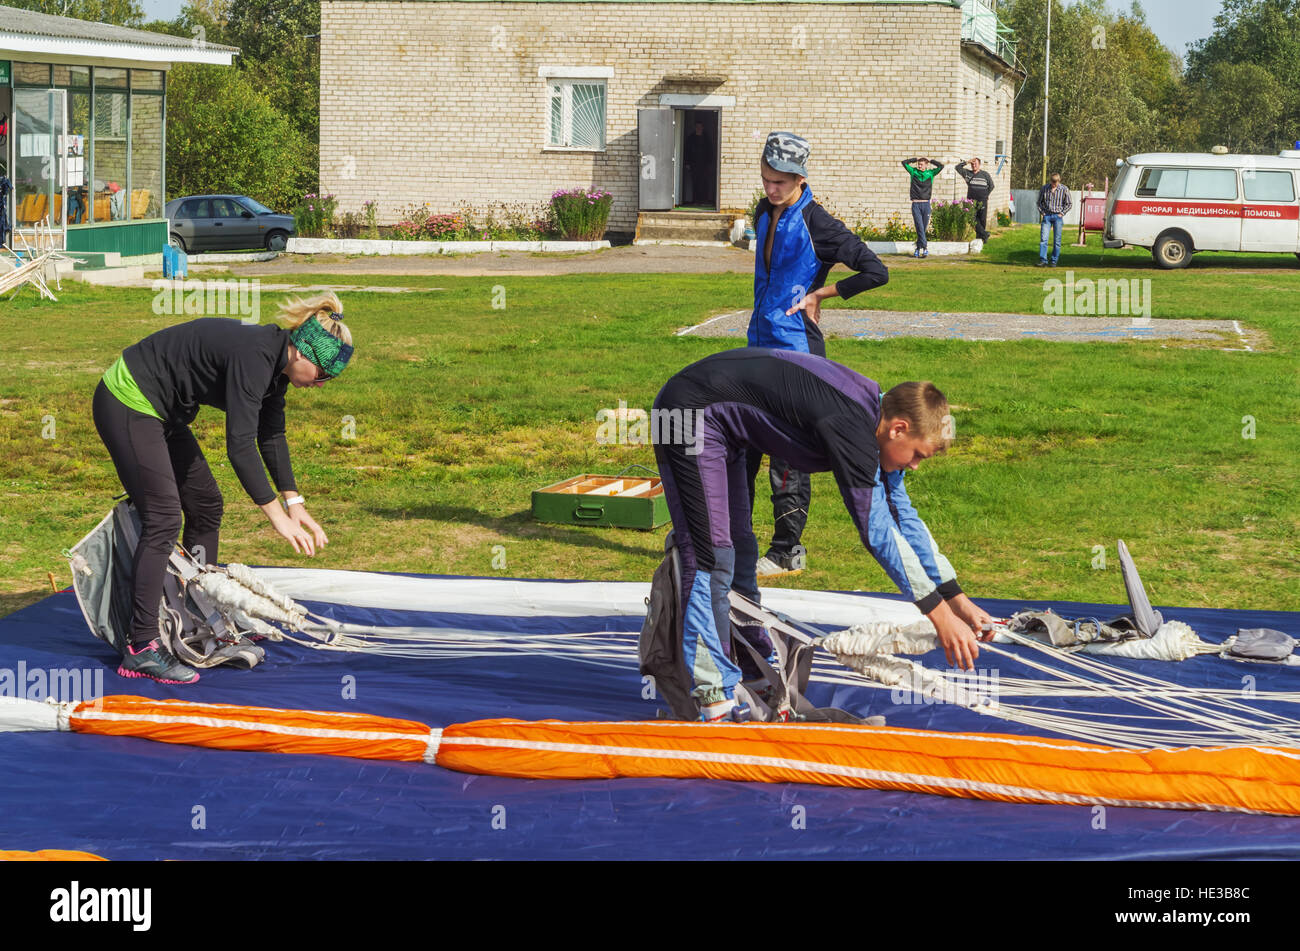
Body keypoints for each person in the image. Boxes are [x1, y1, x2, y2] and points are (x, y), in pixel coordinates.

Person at [652, 348, 993, 721]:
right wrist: (939, 618)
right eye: (917, 455)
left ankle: (754, 671)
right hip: (688, 413)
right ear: (898, 428)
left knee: (742, 551)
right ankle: (714, 696)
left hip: (724, 426)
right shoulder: (852, 426)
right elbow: (876, 532)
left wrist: (956, 598)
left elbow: (901, 516)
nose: (913, 465)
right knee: (710, 556)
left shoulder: (876, 421)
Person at [91, 294, 354, 684]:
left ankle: (197, 617)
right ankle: (141, 645)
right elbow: (240, 446)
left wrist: (294, 501)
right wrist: (276, 517)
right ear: (301, 352)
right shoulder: (254, 355)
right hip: (128, 400)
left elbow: (271, 434)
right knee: (163, 517)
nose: (323, 383)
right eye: (323, 373)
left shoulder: (276, 366)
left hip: (165, 411)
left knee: (206, 504)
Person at [748, 131, 888, 579]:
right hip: (759, 343)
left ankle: (787, 550)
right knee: (745, 440)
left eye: (781, 183)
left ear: (800, 179)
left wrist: (822, 293)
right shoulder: (762, 212)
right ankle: (732, 541)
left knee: (786, 453)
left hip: (798, 350)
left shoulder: (819, 223)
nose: (771, 190)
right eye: (767, 179)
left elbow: (876, 271)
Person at [901, 156, 944, 258]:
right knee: (919, 227)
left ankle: (917, 249)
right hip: (916, 204)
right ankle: (925, 248)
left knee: (922, 229)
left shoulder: (930, 173)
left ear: (926, 165)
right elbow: (904, 163)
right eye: (918, 164)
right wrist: (915, 159)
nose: (919, 166)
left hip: (926, 204)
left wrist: (932, 160)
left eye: (921, 164)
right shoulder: (913, 172)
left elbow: (941, 166)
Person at [1037, 172, 1073, 267]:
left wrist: (1062, 213)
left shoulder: (1064, 189)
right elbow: (1039, 202)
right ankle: (1043, 260)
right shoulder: (1044, 188)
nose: (1054, 183)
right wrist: (1043, 213)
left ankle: (1054, 260)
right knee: (1043, 239)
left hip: (1058, 217)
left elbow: (1069, 204)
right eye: (1052, 181)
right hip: (1047, 216)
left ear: (1059, 181)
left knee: (1057, 241)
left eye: (1055, 182)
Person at [956, 157, 994, 241]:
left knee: (982, 219)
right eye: (972, 164)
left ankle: (981, 238)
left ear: (979, 165)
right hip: (971, 201)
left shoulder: (985, 174)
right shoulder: (967, 173)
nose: (974, 165)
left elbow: (991, 186)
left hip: (982, 201)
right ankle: (984, 234)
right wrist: (967, 161)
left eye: (975, 164)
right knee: (971, 218)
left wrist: (985, 195)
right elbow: (957, 168)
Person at [683, 118, 715, 207]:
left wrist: (710, 163)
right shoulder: (691, 138)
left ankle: (704, 200)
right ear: (695, 127)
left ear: (703, 127)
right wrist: (687, 163)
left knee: (704, 182)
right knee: (695, 182)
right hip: (694, 164)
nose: (698, 128)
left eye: (700, 127)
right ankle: (695, 200)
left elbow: (710, 151)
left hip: (704, 165)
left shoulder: (706, 138)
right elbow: (686, 151)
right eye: (697, 127)